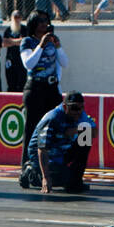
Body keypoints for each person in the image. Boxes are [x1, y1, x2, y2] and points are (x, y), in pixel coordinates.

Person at [17, 10, 67, 188]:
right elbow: (29, 63)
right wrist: (41, 46)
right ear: (33, 23)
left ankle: (54, 169)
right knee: (31, 129)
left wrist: (58, 46)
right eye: (40, 21)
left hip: (51, 88)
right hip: (35, 88)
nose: (44, 24)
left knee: (55, 127)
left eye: (46, 21)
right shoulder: (27, 42)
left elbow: (64, 63)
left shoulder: (53, 41)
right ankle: (27, 169)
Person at [24, 91, 95, 194]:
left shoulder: (81, 115)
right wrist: (46, 177)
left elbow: (94, 132)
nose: (78, 112)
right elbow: (42, 149)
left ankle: (76, 180)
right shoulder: (52, 118)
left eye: (81, 108)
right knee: (58, 180)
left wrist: (76, 129)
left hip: (61, 152)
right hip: (44, 154)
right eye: (74, 108)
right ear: (65, 107)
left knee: (86, 135)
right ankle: (32, 173)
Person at [2, 10, 27, 92]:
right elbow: (4, 43)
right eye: (15, 17)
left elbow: (24, 42)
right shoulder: (8, 30)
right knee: (11, 83)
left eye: (18, 17)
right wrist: (17, 41)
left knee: (21, 83)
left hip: (21, 60)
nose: (17, 19)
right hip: (10, 60)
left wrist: (11, 41)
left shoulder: (24, 29)